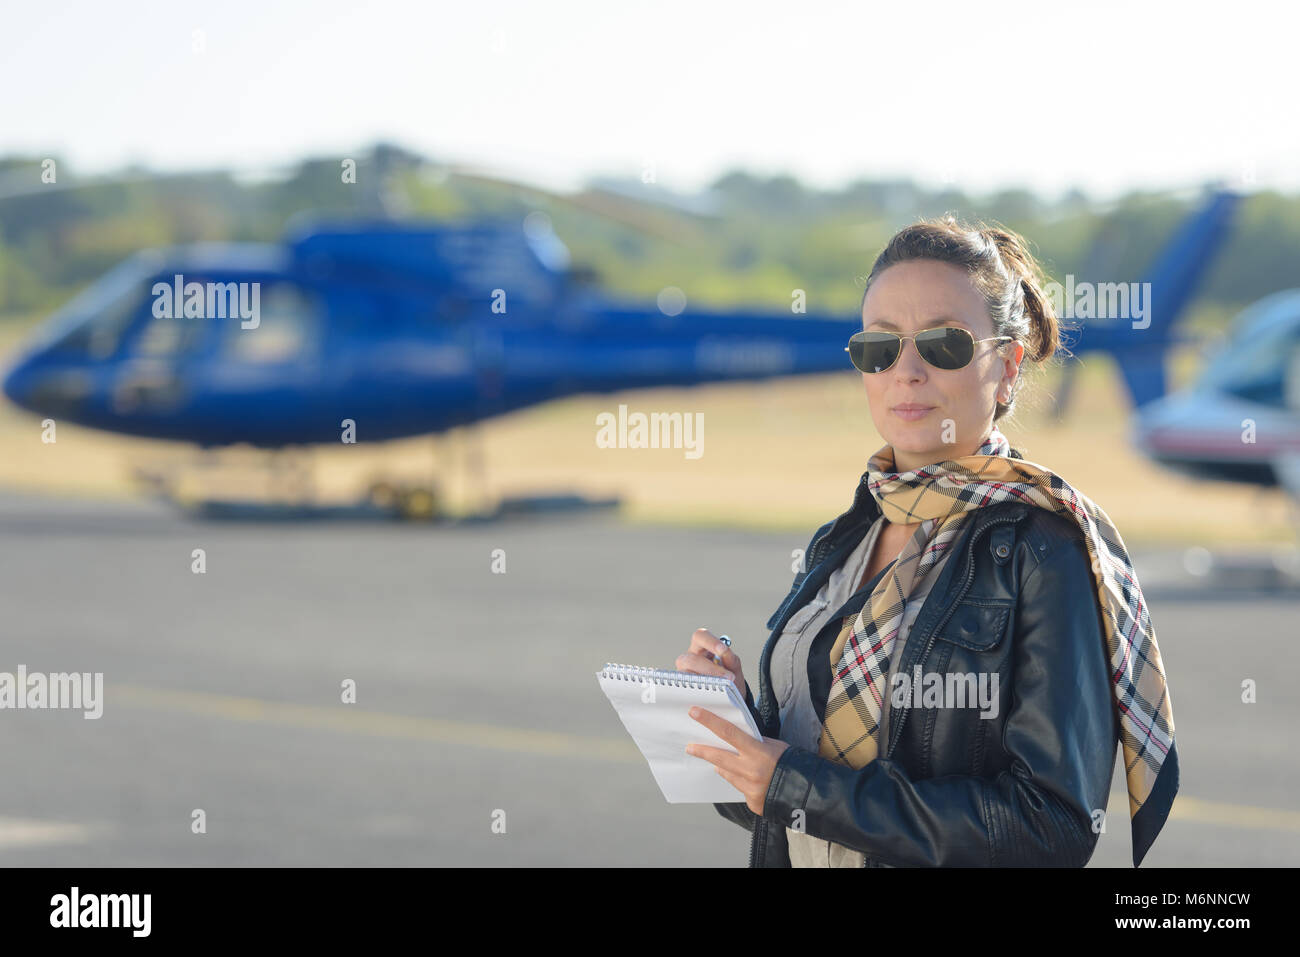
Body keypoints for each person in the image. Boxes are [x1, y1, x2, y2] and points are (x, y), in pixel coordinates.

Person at [677, 216, 1179, 867]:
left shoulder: (1044, 548)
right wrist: (736, 729)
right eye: (879, 348)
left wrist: (796, 785)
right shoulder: (846, 535)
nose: (905, 371)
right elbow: (788, 798)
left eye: (944, 343)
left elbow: (1052, 827)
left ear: (1008, 367)